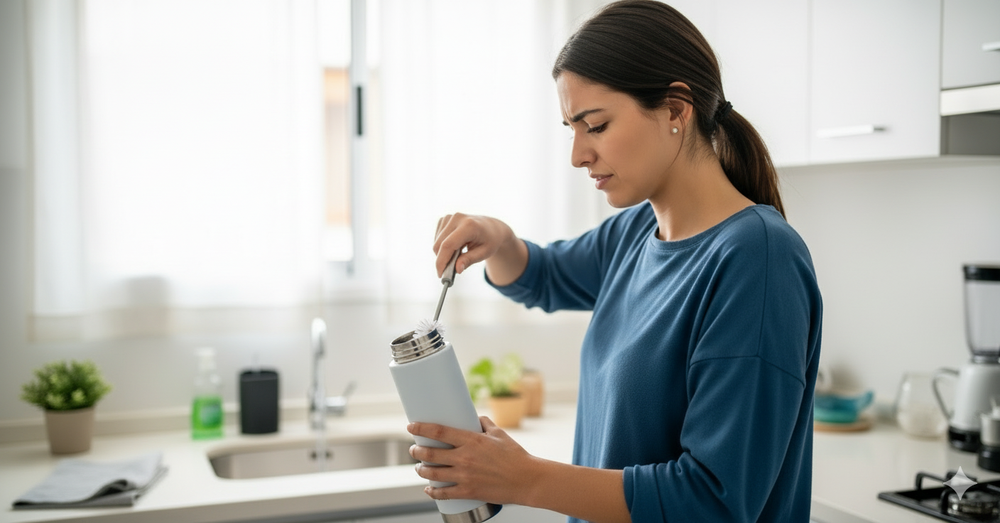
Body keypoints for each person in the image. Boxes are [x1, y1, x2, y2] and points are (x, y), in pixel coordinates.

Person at [407, 1, 823, 522]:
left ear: (676, 109)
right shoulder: (635, 233)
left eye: (596, 125)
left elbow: (714, 501)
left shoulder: (757, 260)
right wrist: (500, 239)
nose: (578, 154)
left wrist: (523, 476)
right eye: (570, 128)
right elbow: (544, 277)